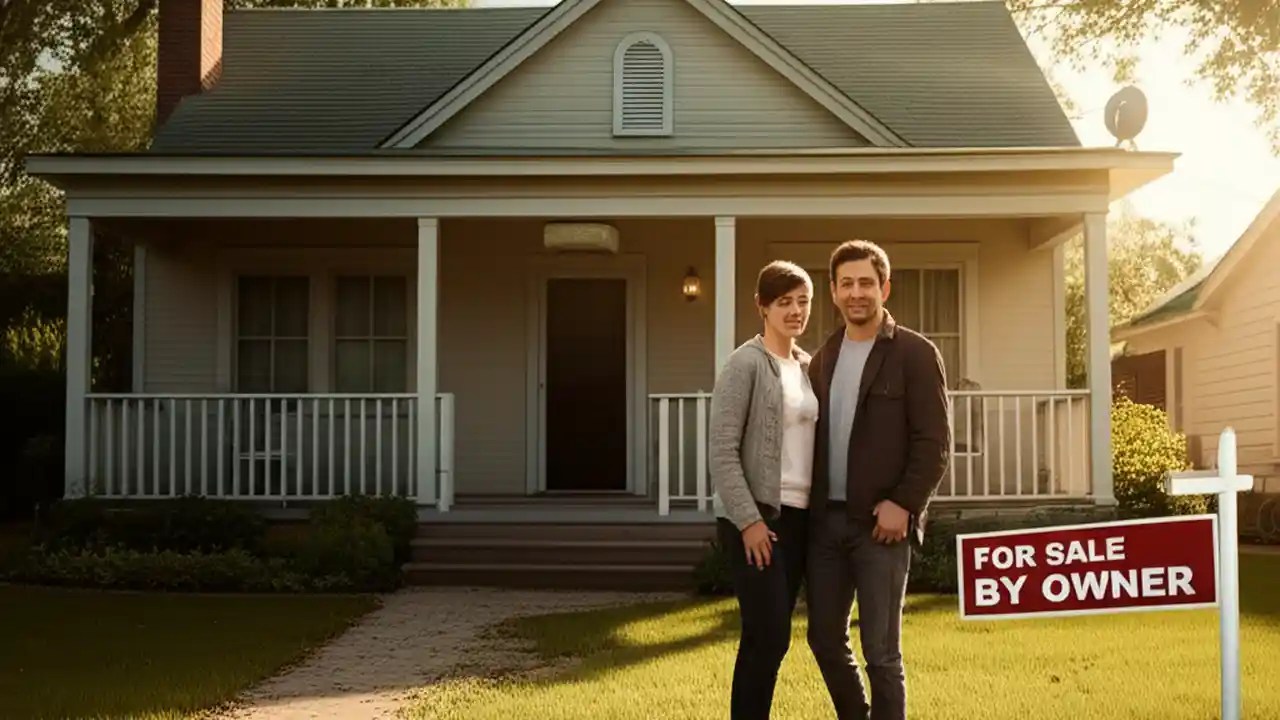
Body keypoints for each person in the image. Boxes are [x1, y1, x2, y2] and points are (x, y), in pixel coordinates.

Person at [805, 240, 950, 720]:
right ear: (833, 292)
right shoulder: (822, 358)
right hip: (827, 525)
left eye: (866, 282)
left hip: (881, 526)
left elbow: (934, 442)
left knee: (881, 654)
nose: (856, 293)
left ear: (884, 287)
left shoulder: (914, 353)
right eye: (846, 283)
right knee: (824, 638)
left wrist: (904, 504)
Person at [709, 260, 820, 720]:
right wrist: (749, 520)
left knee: (768, 637)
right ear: (762, 306)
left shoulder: (809, 366)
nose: (795, 311)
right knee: (769, 633)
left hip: (800, 518)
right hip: (757, 520)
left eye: (803, 302)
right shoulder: (745, 364)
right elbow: (721, 449)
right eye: (784, 302)